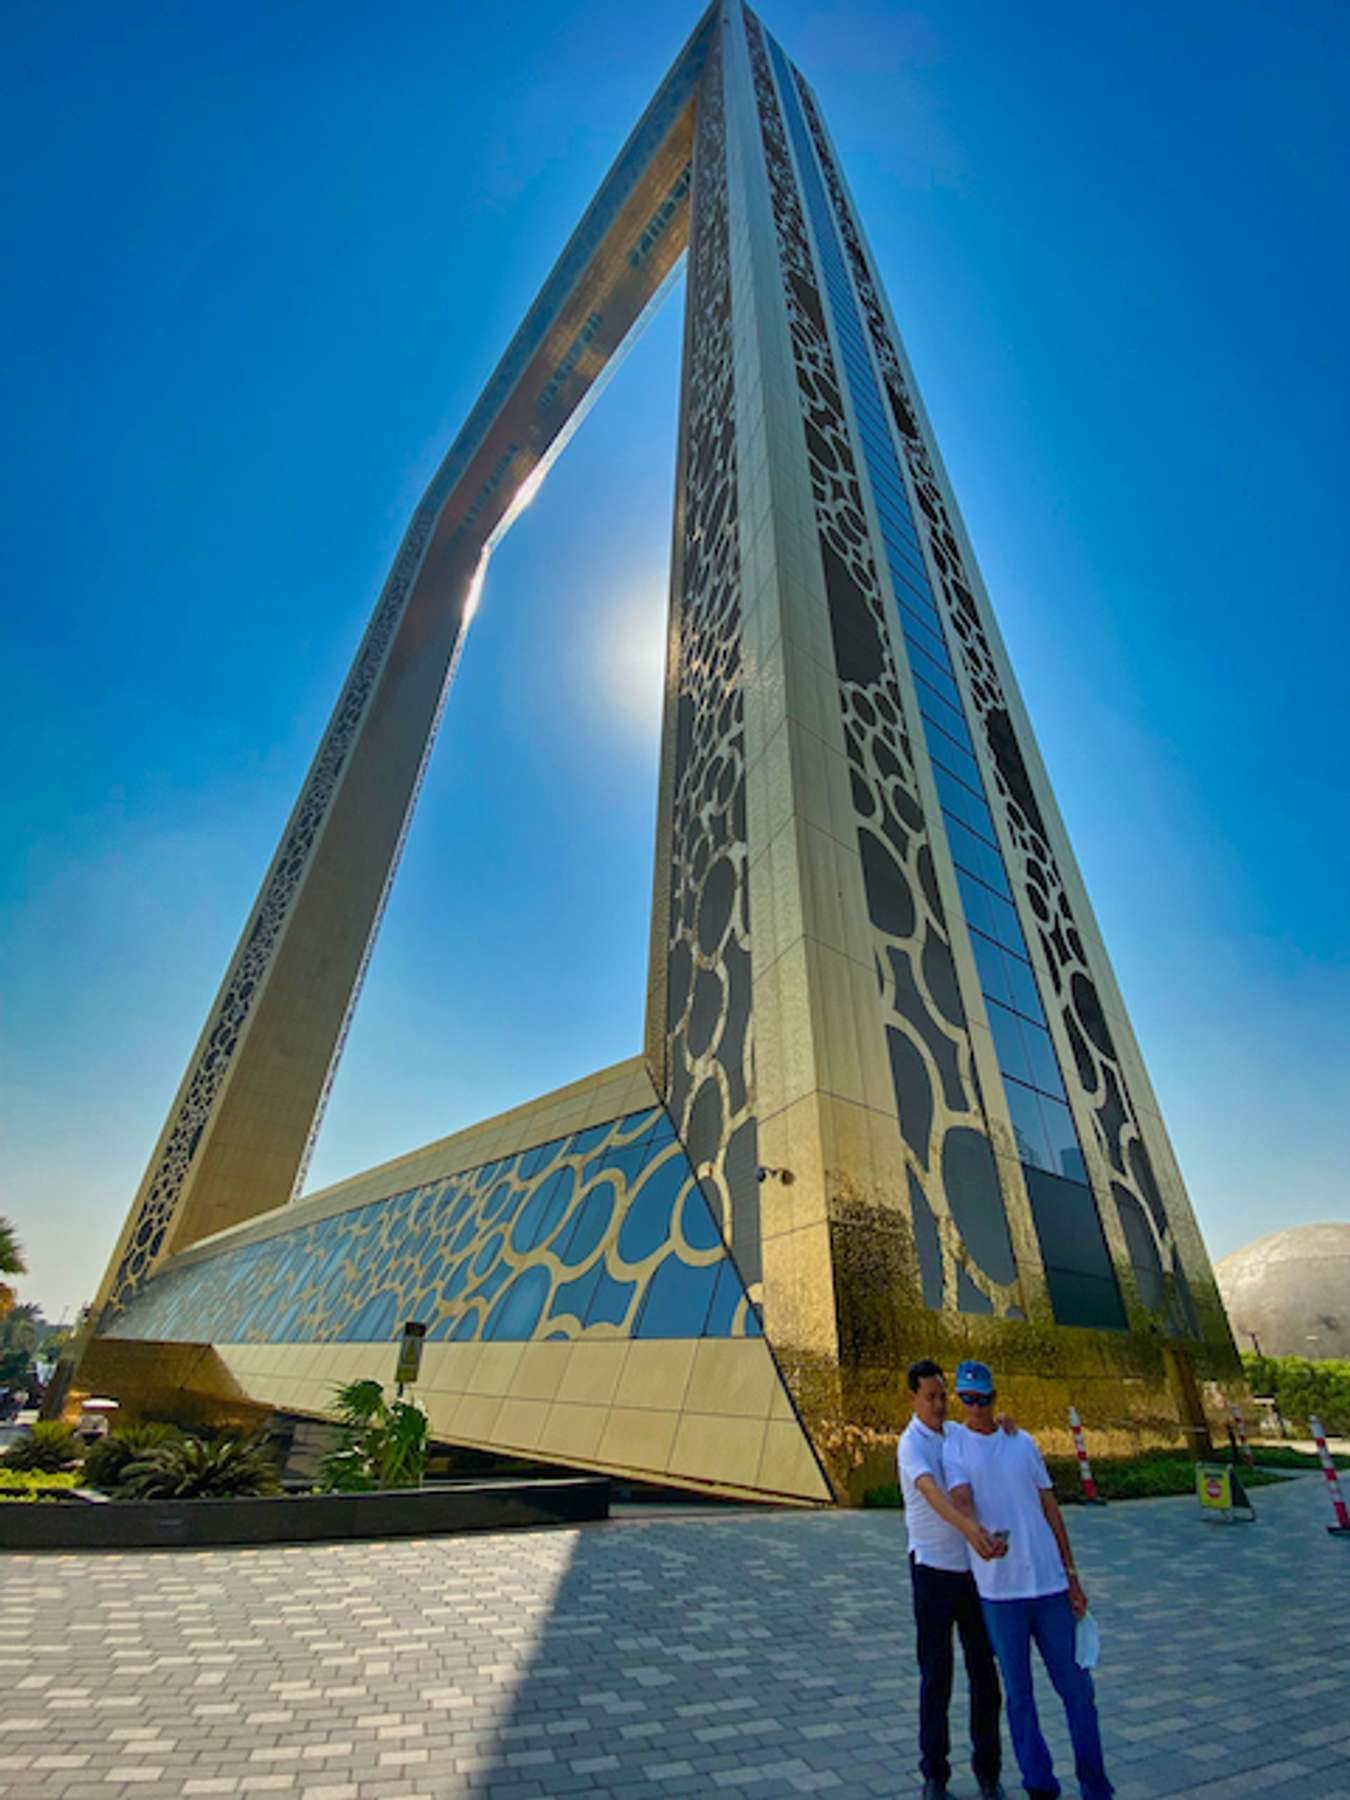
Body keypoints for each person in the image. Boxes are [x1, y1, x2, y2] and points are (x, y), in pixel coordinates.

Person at [944, 1360, 1113, 1800]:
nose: (975, 1407)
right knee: (1019, 1694)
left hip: (1050, 1587)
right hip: (1000, 1593)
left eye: (982, 1399)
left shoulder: (1022, 1442)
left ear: (995, 1397)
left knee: (1078, 1690)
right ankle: (1039, 1783)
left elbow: (1050, 1508)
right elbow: (960, 1497)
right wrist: (974, 1529)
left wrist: (1072, 1574)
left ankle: (1095, 1785)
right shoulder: (954, 1445)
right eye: (967, 1399)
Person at [898, 1357, 1008, 1800]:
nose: (941, 1404)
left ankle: (988, 1772)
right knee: (936, 1676)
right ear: (912, 1398)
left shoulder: (958, 1434)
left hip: (973, 1575)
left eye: (944, 1396)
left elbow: (991, 1443)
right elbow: (934, 1495)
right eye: (931, 1397)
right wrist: (970, 1530)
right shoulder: (911, 1445)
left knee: (985, 1674)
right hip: (932, 1572)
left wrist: (1004, 1424)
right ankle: (934, 1776)